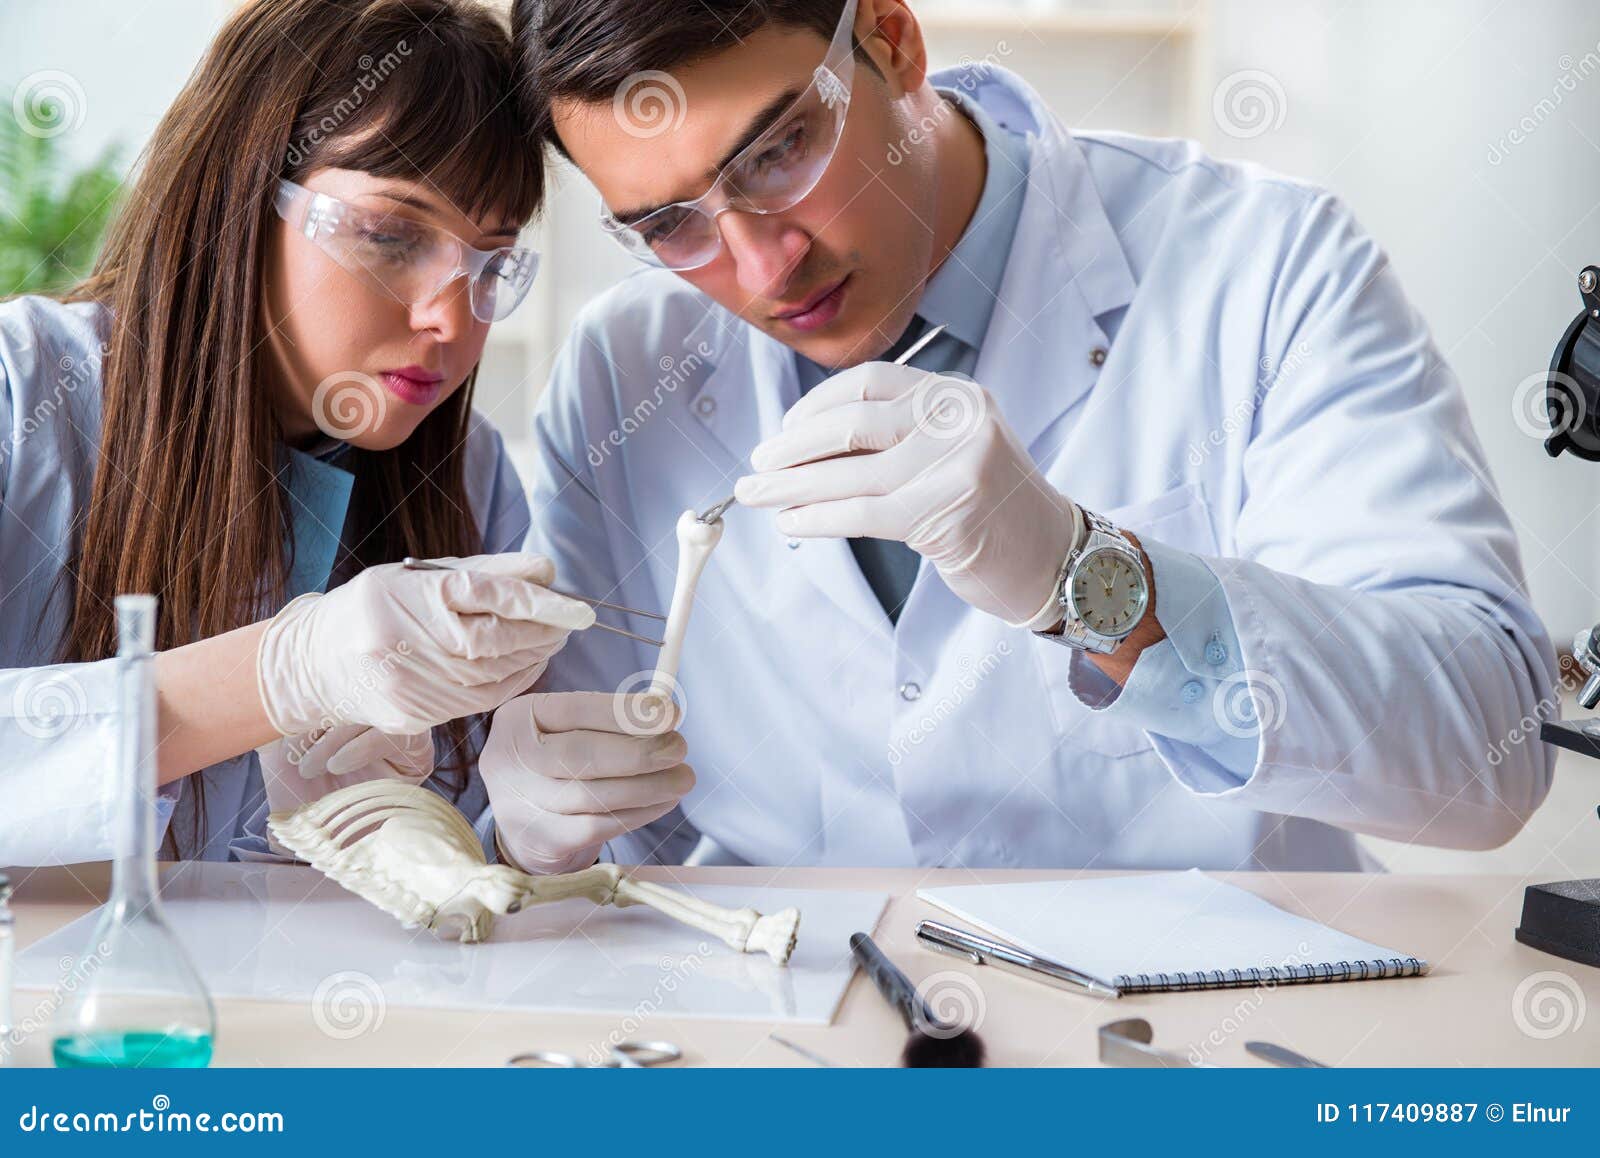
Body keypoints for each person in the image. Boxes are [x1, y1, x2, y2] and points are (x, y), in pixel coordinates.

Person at [484, 0, 1556, 873]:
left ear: (893, 42)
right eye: (669, 223)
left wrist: (1085, 577)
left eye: (778, 152)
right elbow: (625, 845)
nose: (762, 268)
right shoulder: (625, 370)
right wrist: (539, 827)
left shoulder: (1266, 265)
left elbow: (1485, 752)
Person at [0, 0, 596, 866]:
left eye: (491, 263)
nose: (448, 317)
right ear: (235, 199)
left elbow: (452, 903)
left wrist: (524, 845)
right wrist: (281, 674)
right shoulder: (27, 393)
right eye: (392, 236)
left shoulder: (467, 478)